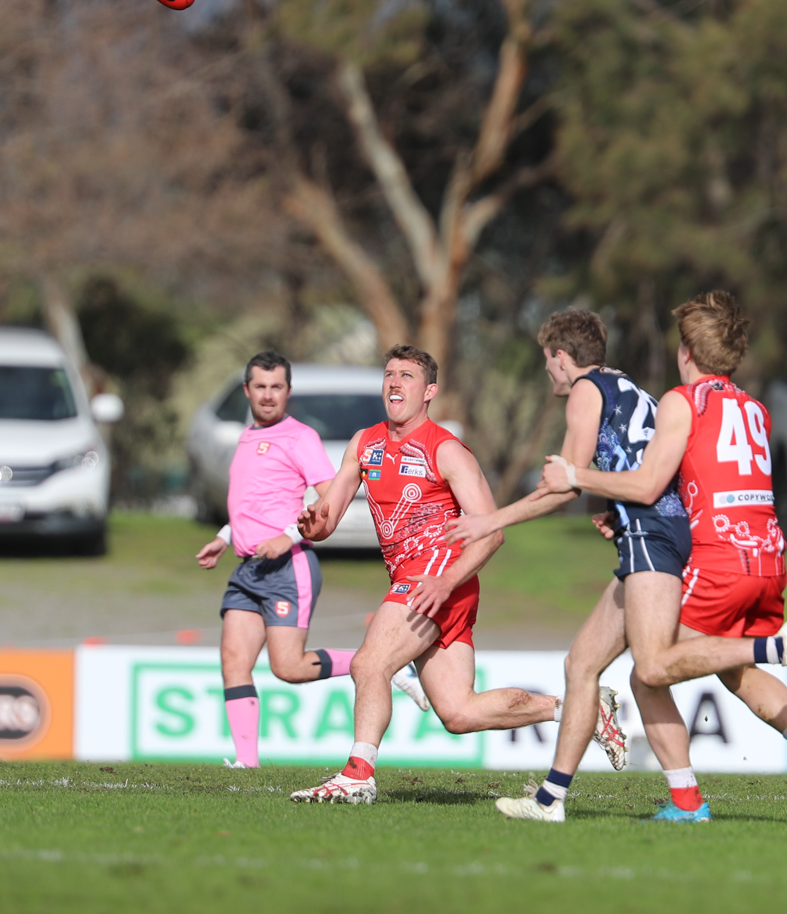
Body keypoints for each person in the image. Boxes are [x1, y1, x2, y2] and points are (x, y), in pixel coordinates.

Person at [538, 291, 787, 818]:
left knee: (650, 670)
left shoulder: (684, 401)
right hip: (768, 558)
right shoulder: (754, 407)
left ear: (686, 352)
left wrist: (577, 477)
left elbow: (651, 482)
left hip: (720, 558)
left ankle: (688, 798)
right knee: (724, 666)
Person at [287, 346, 578, 804]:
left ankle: (358, 775)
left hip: (437, 578)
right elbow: (328, 520)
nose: (394, 383)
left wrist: (445, 582)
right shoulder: (364, 443)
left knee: (369, 664)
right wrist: (313, 525)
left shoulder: (445, 449)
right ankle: (576, 709)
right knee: (459, 712)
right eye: (388, 374)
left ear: (429, 392)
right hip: (423, 583)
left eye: (406, 375)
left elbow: (491, 532)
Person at [440, 309, 675, 822]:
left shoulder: (587, 390)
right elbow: (638, 462)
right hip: (661, 533)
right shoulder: (628, 387)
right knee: (586, 666)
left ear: (563, 358)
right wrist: (617, 511)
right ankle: (553, 799)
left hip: (656, 543)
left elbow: (564, 483)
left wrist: (489, 521)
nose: (547, 371)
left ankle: (778, 658)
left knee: (661, 668)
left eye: (547, 360)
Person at [194, 350, 429, 769]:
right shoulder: (247, 436)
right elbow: (252, 504)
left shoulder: (300, 437)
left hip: (289, 567)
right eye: (260, 387)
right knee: (234, 660)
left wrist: (288, 537)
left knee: (289, 667)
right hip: (247, 568)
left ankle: (389, 670)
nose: (268, 396)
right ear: (247, 390)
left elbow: (328, 498)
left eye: (277, 387)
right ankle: (246, 762)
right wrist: (225, 536)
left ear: (288, 392)